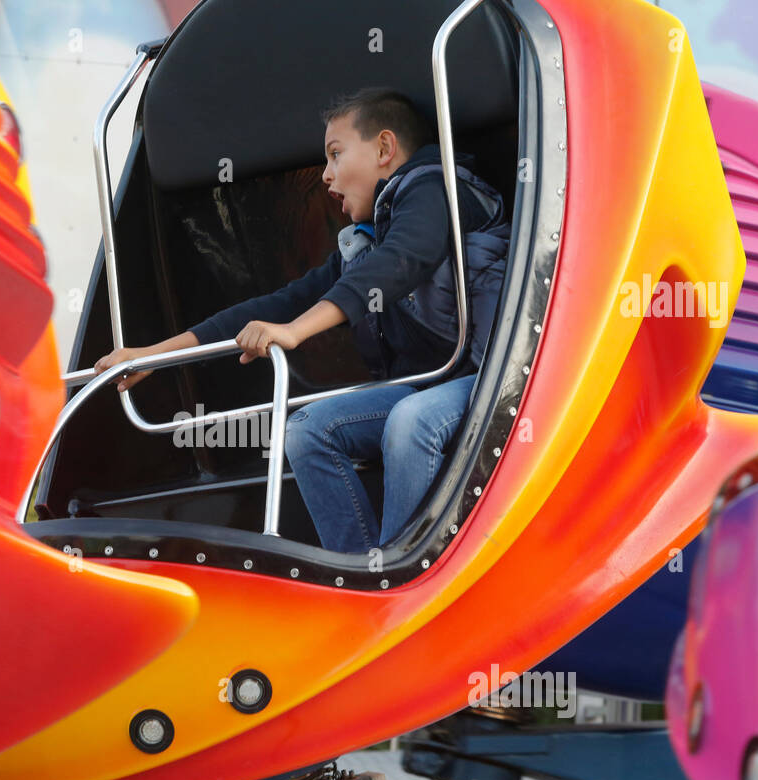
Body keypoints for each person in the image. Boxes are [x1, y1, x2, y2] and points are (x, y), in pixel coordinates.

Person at [95, 87, 509, 554]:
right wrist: (157, 356)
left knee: (409, 422)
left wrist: (295, 333)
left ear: (385, 149)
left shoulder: (436, 190)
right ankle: (355, 569)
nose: (327, 177)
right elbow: (278, 304)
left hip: (492, 377)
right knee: (309, 430)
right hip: (432, 384)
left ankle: (396, 577)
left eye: (335, 155)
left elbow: (402, 261)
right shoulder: (363, 242)